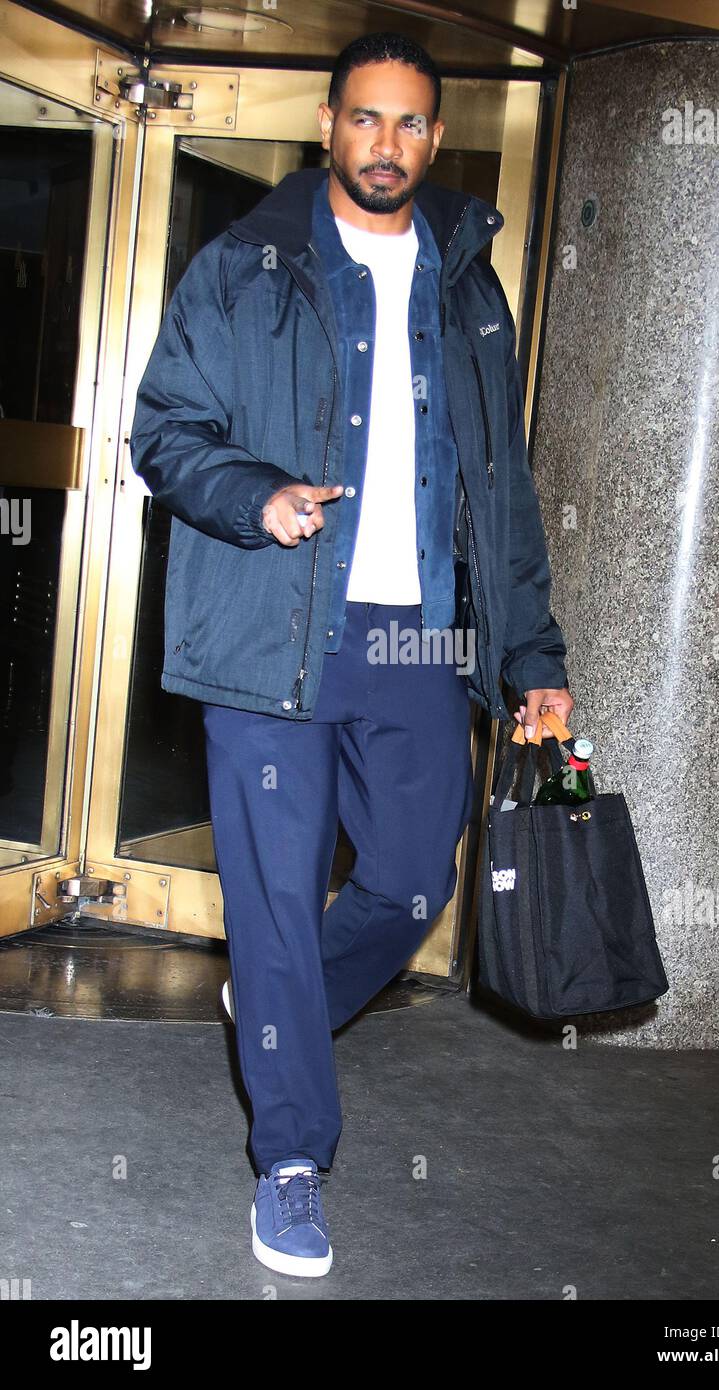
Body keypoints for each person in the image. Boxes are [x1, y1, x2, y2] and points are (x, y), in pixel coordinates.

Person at [130, 30, 573, 1278]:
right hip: (274, 621)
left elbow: (501, 490)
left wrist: (529, 653)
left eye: (412, 126)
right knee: (273, 901)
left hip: (413, 633)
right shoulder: (245, 266)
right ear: (326, 125)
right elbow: (164, 430)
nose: (388, 145)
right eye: (366, 121)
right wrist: (254, 491)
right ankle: (291, 1161)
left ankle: (279, 1011)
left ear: (435, 138)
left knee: (417, 880)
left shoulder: (466, 285)